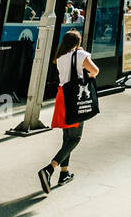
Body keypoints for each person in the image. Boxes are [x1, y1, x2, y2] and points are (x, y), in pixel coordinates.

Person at [40, 29, 99, 193]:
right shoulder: (80, 56)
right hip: (75, 99)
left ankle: (64, 173)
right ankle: (49, 169)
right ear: (78, 43)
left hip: (62, 97)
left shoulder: (60, 58)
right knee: (75, 138)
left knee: (68, 137)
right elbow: (95, 71)